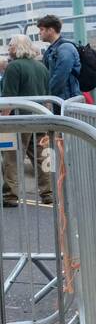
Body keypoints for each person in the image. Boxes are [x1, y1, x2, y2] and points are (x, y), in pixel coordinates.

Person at [1, 35, 53, 206]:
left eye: (10, 45)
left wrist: (4, 119)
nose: (8, 49)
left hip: (19, 119)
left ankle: (11, 196)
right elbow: (47, 96)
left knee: (12, 158)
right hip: (39, 117)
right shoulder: (41, 67)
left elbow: (9, 98)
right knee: (43, 157)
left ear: (18, 47)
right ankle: (48, 193)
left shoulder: (13, 67)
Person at [35, 15, 80, 106]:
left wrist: (48, 96)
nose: (39, 33)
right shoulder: (53, 49)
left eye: (42, 29)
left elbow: (60, 76)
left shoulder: (65, 48)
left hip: (66, 100)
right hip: (60, 99)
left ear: (51, 30)